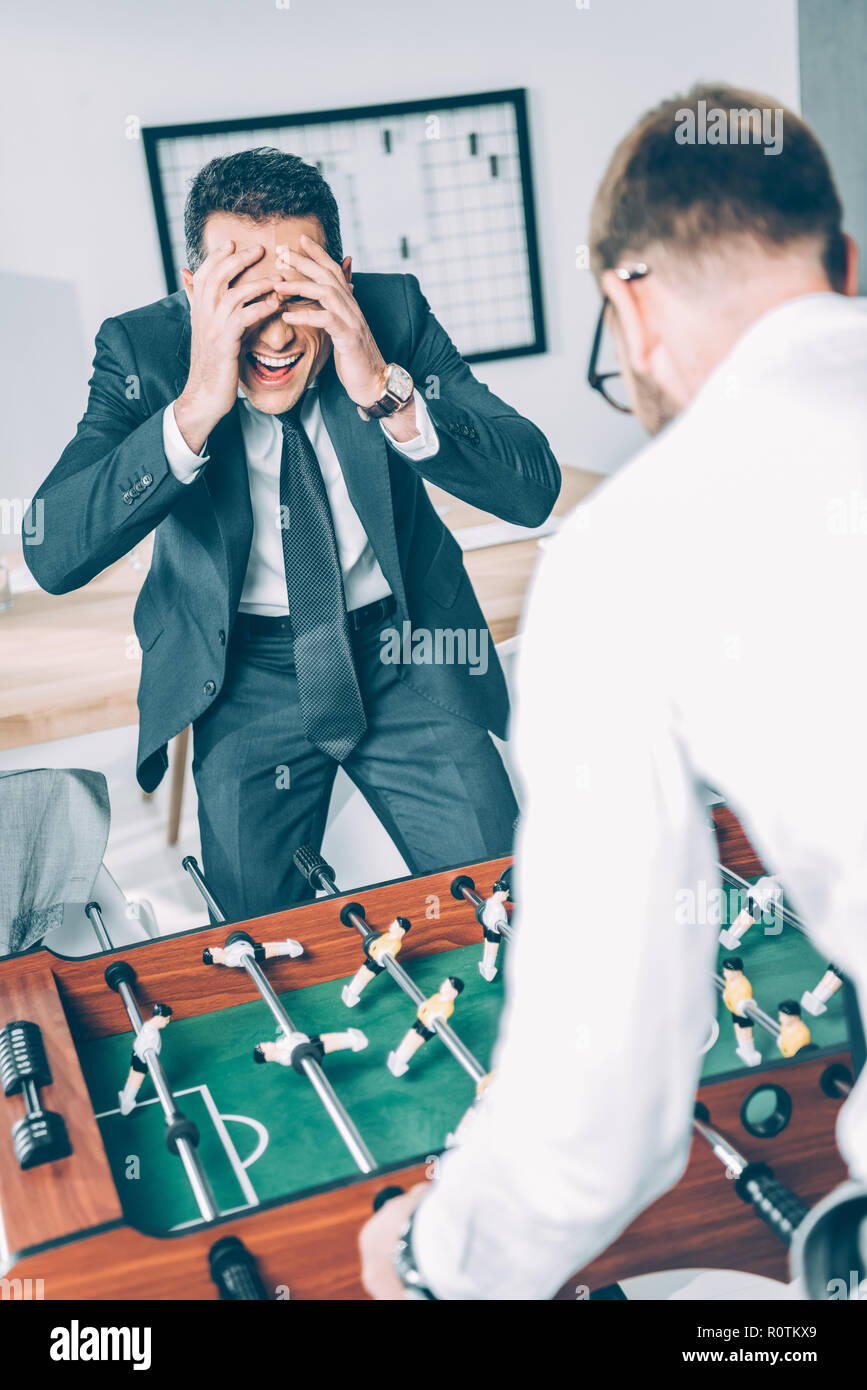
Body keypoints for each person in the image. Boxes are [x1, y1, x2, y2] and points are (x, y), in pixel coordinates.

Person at [359, 83, 867, 1299]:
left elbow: (602, 1112)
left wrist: (431, 1257)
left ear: (628, 304)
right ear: (846, 263)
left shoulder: (623, 555)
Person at [25, 149, 560, 922]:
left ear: (341, 277)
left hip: (406, 652)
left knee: (508, 907)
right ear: (194, 291)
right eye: (244, 297)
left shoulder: (392, 314)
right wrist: (195, 406)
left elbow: (531, 487)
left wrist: (384, 388)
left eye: (298, 295)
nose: (274, 335)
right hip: (243, 675)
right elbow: (54, 552)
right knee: (261, 938)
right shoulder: (143, 351)